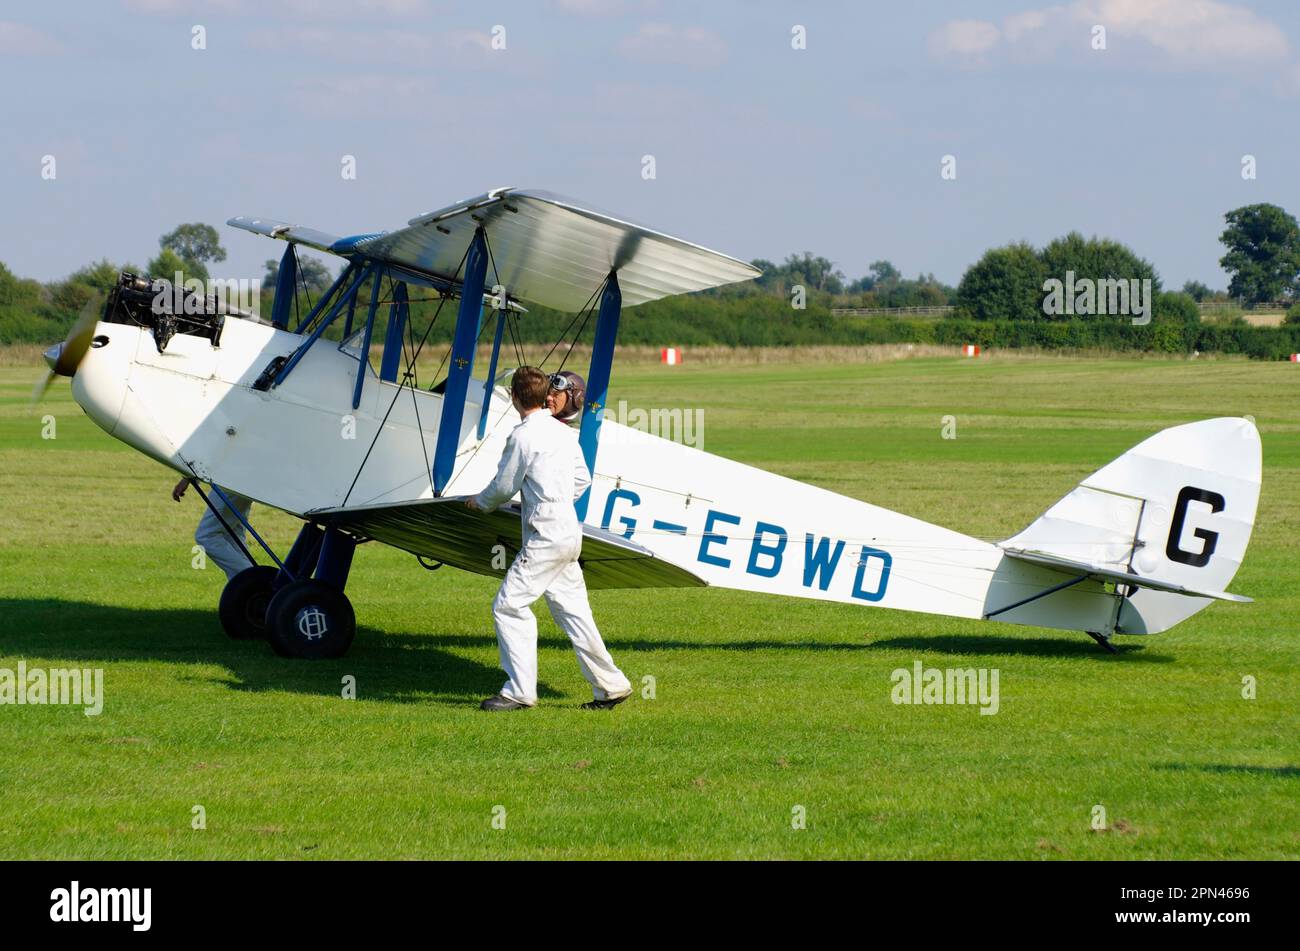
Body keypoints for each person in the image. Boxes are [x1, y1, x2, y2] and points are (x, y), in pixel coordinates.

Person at [466, 366, 631, 712]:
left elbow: (504, 486)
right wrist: (555, 498)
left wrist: (479, 503)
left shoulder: (522, 436)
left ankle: (519, 692)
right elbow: (582, 481)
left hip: (545, 535)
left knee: (509, 606)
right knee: (574, 613)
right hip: (570, 531)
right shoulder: (563, 435)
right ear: (544, 397)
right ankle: (612, 686)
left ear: (514, 397)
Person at [171, 477, 255, 580]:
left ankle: (254, 580)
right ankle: (246, 589)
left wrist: (188, 478)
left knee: (207, 536)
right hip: (238, 479)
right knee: (231, 535)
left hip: (232, 479)